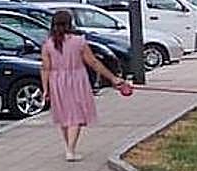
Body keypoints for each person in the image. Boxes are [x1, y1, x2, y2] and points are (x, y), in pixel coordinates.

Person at [41, 10, 131, 161]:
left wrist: (45, 89)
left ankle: (69, 147)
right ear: (70, 23)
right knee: (75, 115)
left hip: (56, 80)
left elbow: (45, 68)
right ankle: (70, 150)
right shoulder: (79, 41)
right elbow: (94, 62)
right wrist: (113, 78)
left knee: (64, 116)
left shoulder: (48, 44)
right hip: (76, 79)